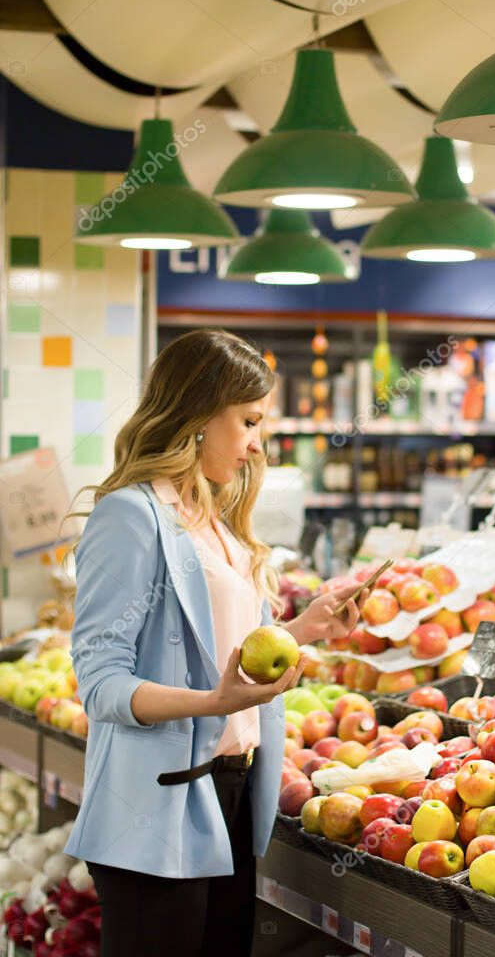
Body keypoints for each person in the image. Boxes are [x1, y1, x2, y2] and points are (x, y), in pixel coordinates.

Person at [63, 329, 367, 957]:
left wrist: (303, 628)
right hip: (156, 809)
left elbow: (220, 650)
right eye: (249, 421)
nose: (258, 443)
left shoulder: (218, 522)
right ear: (200, 415)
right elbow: (101, 683)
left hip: (231, 797)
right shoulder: (131, 514)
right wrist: (213, 703)